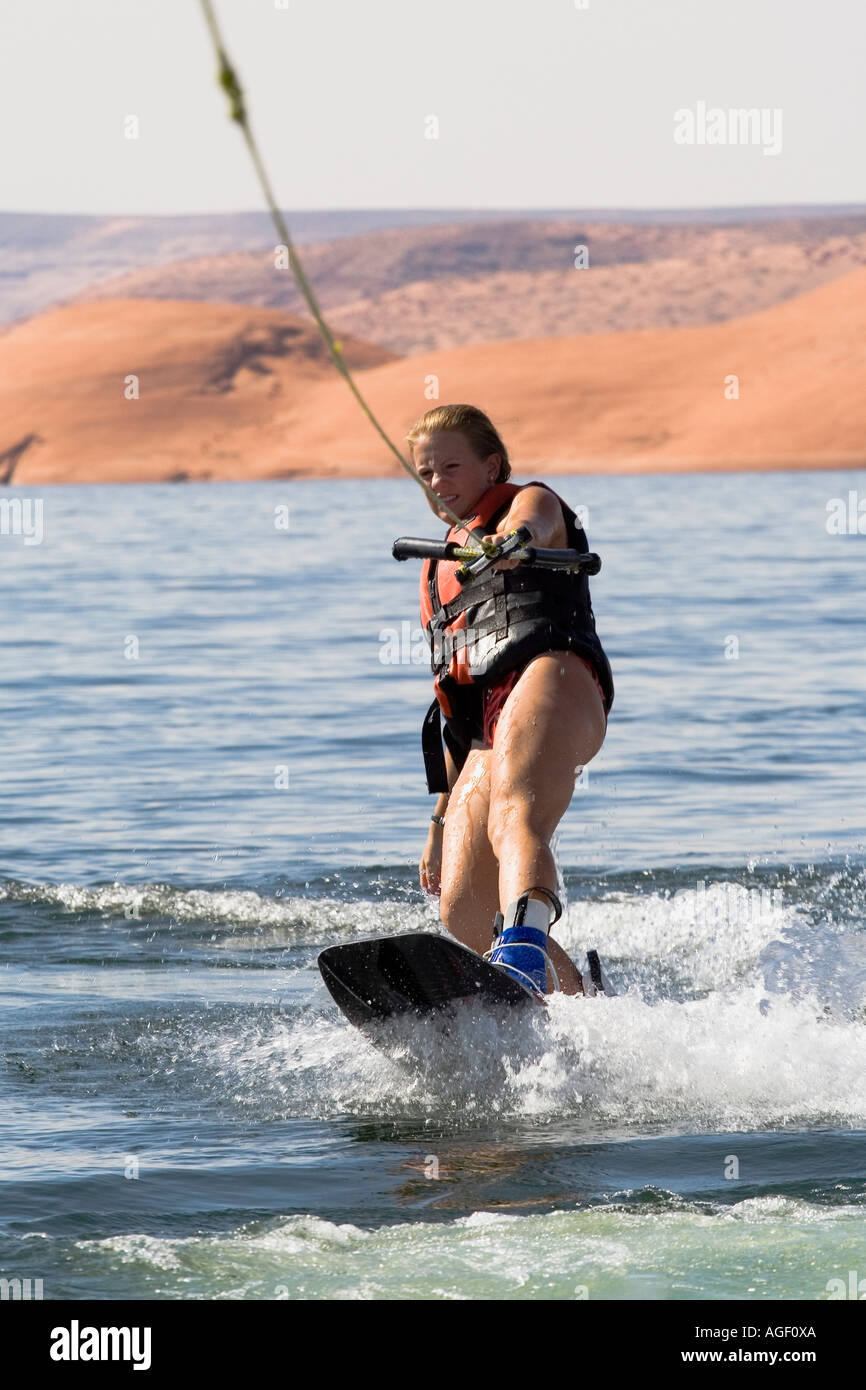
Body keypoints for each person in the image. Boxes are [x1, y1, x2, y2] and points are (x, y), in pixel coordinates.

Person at [408, 404, 614, 996]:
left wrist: (506, 544)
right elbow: (454, 713)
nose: (438, 484)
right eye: (426, 474)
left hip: (554, 676)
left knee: (514, 815)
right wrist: (438, 822)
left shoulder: (529, 503)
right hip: (485, 723)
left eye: (451, 467)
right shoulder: (437, 566)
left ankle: (521, 965)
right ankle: (579, 997)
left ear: (490, 465)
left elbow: (538, 522)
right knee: (463, 909)